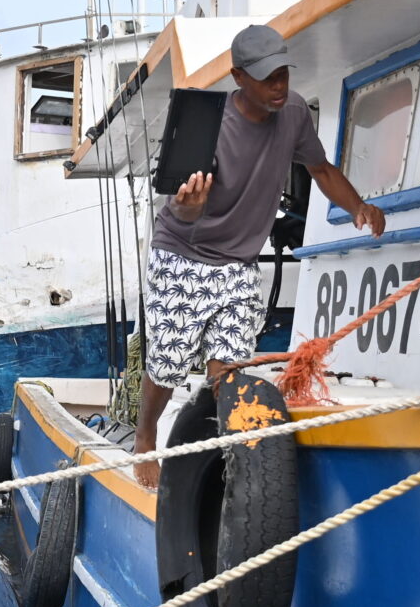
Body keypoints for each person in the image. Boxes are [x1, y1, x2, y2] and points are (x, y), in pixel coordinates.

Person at [132, 24, 387, 489]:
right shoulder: (209, 126)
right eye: (268, 77)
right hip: (183, 250)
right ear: (238, 77)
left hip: (238, 263)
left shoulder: (291, 112)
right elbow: (179, 204)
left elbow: (320, 168)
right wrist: (188, 209)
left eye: (283, 74)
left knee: (229, 369)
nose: (279, 86)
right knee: (167, 364)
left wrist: (358, 206)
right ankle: (146, 436)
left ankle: (229, 459)